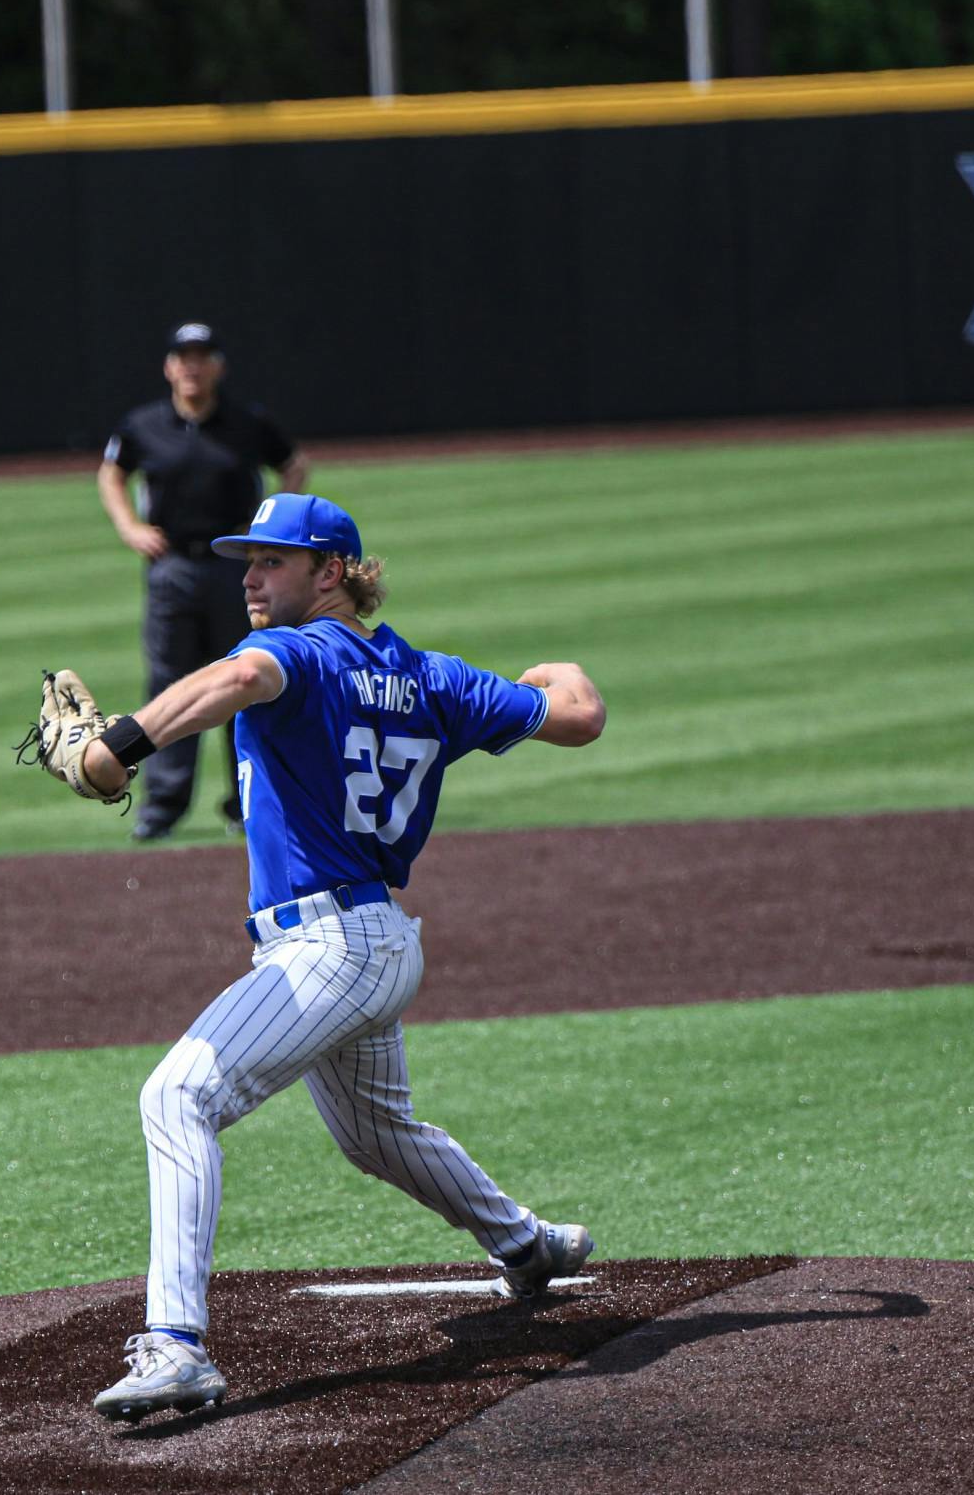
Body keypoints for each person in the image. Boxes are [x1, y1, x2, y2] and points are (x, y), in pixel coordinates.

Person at [69, 493, 606, 1423]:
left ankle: (176, 1347)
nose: (249, 576)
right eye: (249, 559)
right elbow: (578, 716)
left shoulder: (299, 651)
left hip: (328, 948)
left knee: (177, 1096)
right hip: (379, 940)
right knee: (376, 1137)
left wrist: (120, 744)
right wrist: (558, 670)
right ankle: (528, 1245)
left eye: (273, 560)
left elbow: (235, 682)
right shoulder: (435, 677)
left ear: (332, 574)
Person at [98, 322, 310, 842]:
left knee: (248, 678)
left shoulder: (247, 422)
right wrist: (129, 527)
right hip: (171, 564)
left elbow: (295, 467)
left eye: (201, 356)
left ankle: (248, 800)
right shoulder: (144, 424)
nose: (192, 366)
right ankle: (163, 805)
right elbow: (111, 472)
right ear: (169, 367)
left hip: (237, 568)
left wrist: (266, 531)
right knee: (171, 681)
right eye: (182, 357)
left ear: (218, 365)